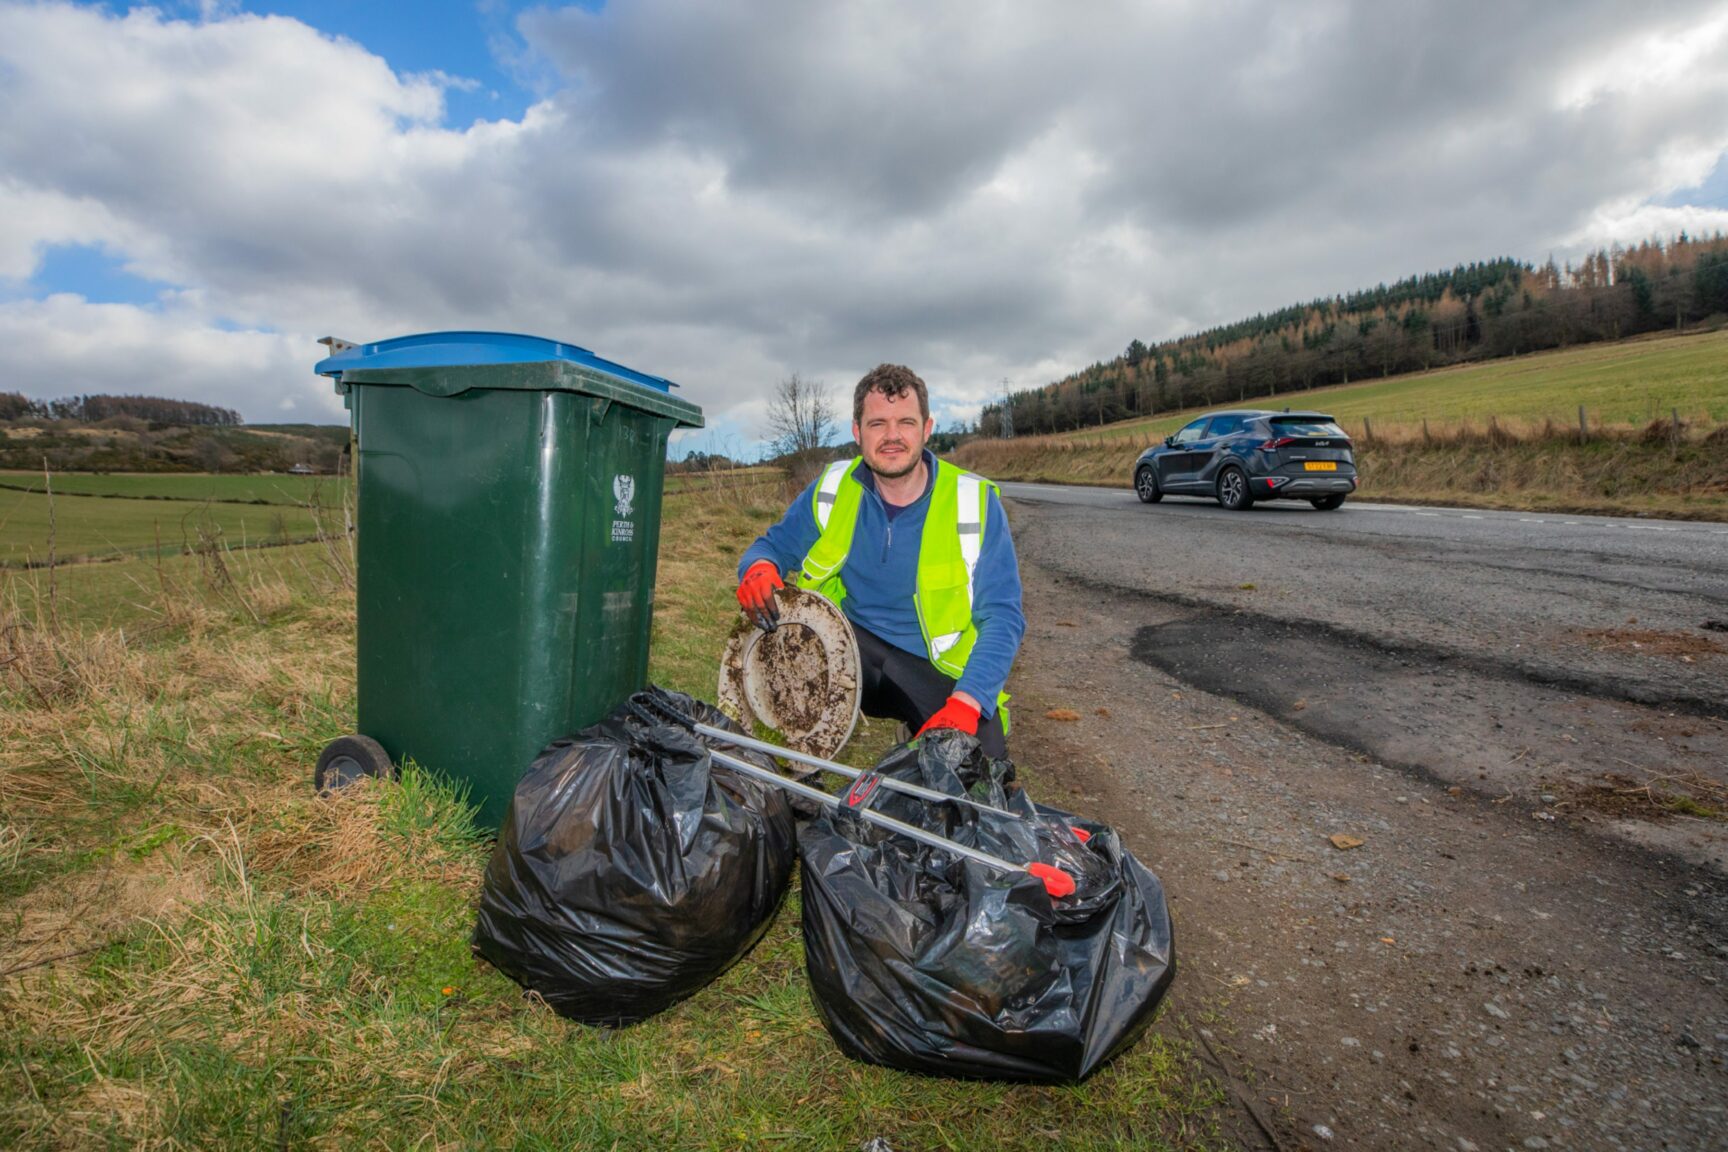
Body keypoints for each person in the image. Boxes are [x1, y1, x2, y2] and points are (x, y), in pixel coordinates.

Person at [736, 364, 1025, 756]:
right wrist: (758, 569)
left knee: (980, 773)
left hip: (938, 671)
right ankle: (801, 767)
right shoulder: (833, 488)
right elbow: (771, 546)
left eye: (906, 422)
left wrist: (967, 701)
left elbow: (1004, 617)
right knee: (783, 647)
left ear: (927, 429)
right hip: (849, 651)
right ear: (857, 432)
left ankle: (928, 728)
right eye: (877, 424)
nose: (892, 436)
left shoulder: (974, 502)